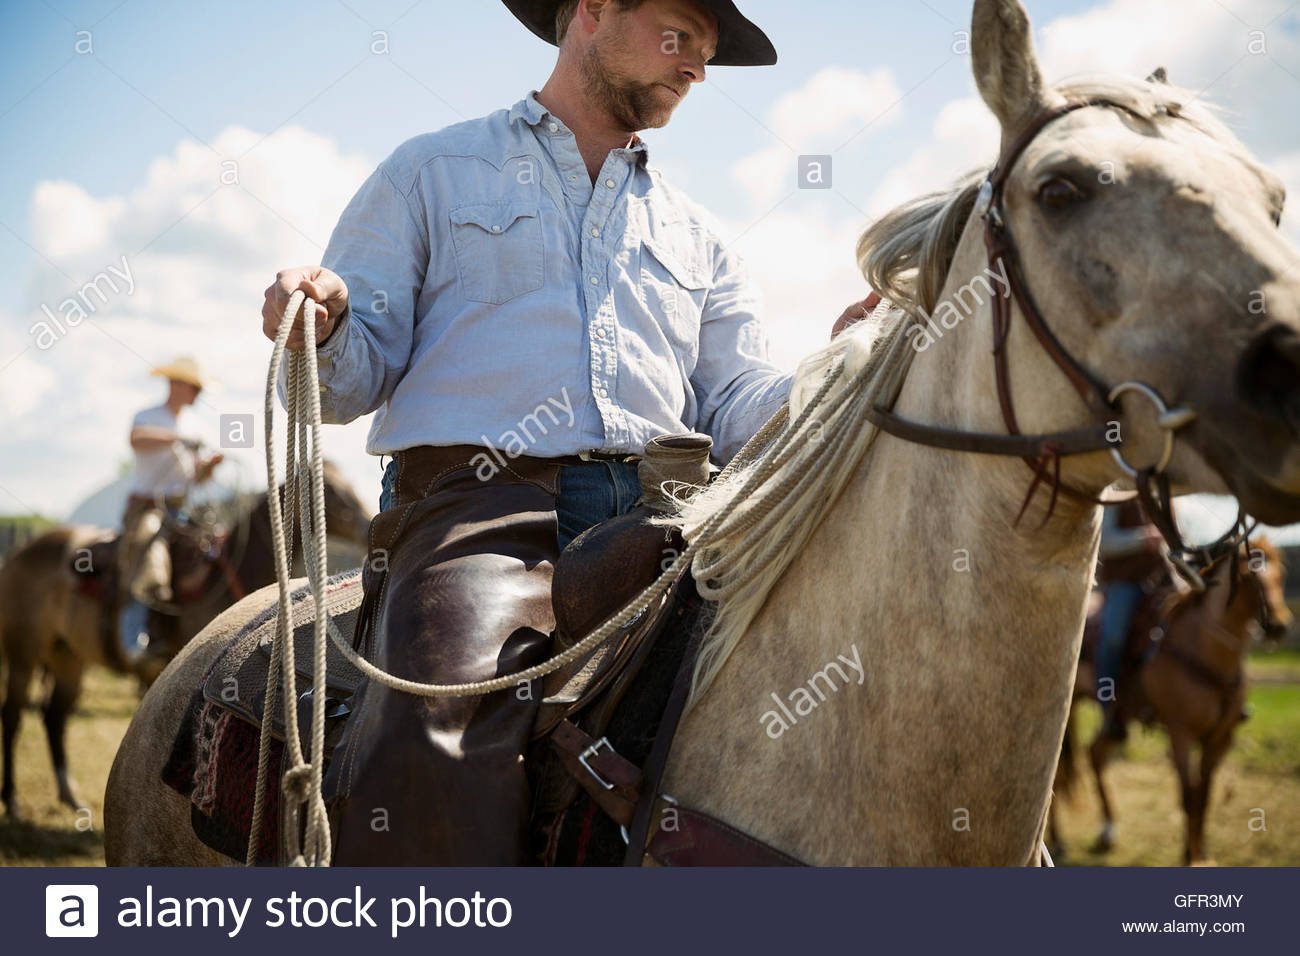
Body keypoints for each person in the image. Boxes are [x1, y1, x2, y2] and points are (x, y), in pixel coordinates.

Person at [262, 0, 872, 865]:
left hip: (672, 519)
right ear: (591, 10)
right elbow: (347, 383)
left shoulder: (702, 238)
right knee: (439, 736)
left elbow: (734, 401)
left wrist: (837, 375)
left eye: (705, 53)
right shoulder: (429, 172)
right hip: (479, 511)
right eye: (681, 36)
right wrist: (322, 326)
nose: (697, 67)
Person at [117, 357, 223, 662]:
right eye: (194, 388)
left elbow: (194, 478)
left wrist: (209, 467)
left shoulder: (193, 424)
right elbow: (136, 440)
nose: (197, 395)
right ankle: (132, 639)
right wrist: (178, 438)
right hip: (146, 508)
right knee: (147, 555)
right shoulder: (149, 416)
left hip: (180, 510)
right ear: (176, 385)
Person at [1094, 500, 1166, 738]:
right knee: (1113, 639)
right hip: (1123, 583)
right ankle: (1109, 708)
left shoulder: (1163, 493)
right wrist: (1142, 538)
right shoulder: (1116, 495)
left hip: (1161, 583)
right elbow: (1104, 542)